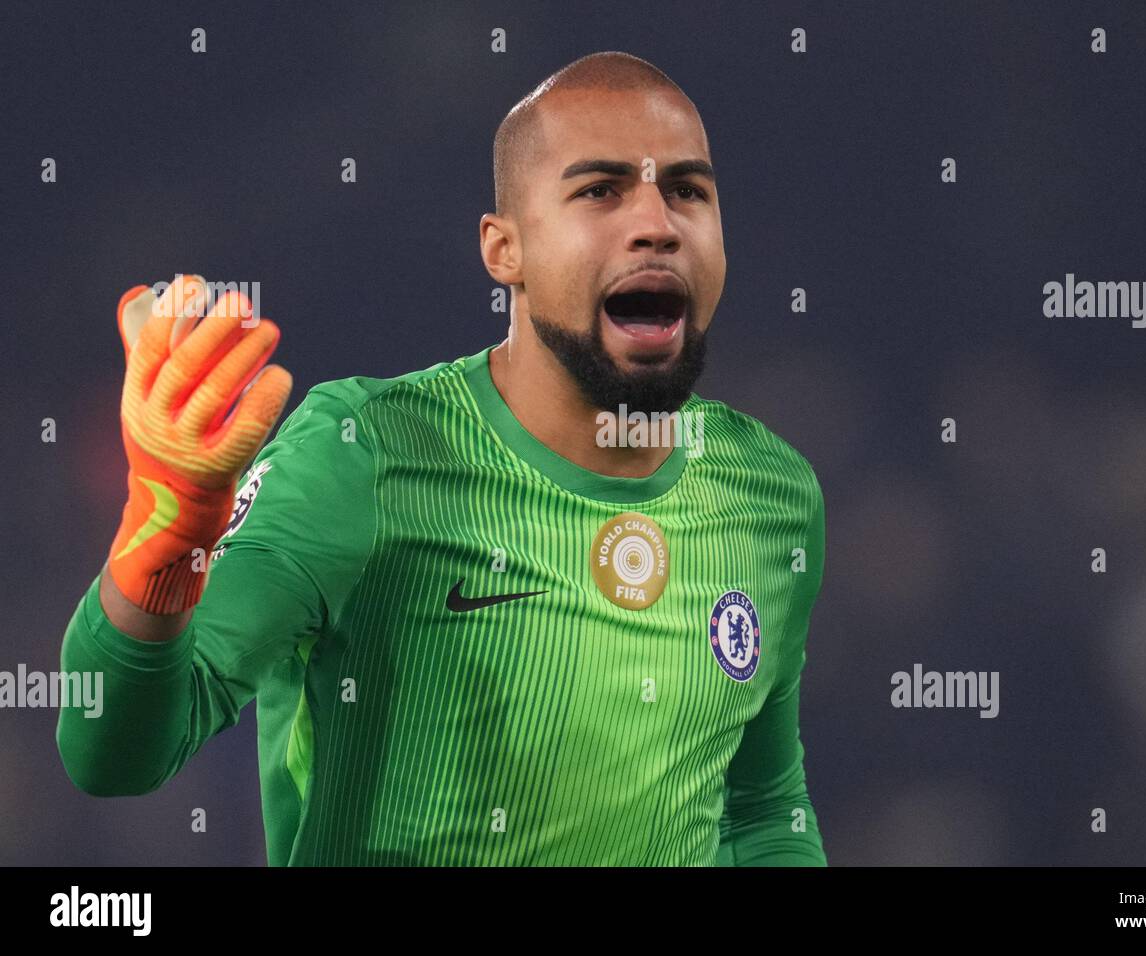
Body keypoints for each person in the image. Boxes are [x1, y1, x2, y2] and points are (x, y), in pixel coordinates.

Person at [57, 50, 828, 866]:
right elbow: (112, 755)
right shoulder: (361, 454)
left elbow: (761, 812)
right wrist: (168, 534)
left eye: (688, 190)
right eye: (600, 191)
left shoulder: (771, 493)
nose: (658, 223)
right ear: (505, 251)